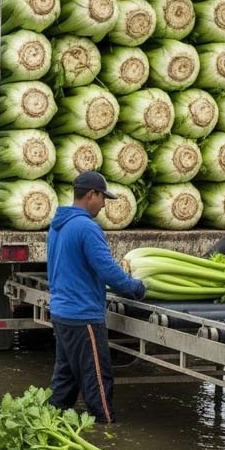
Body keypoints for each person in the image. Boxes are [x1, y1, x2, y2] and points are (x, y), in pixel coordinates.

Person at [47, 171, 147, 424]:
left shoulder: (58, 224)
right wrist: (135, 287)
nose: (104, 205)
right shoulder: (86, 227)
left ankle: (48, 423)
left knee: (65, 380)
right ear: (91, 194)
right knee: (98, 381)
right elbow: (107, 271)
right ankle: (107, 430)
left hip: (61, 312)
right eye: (103, 198)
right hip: (83, 317)